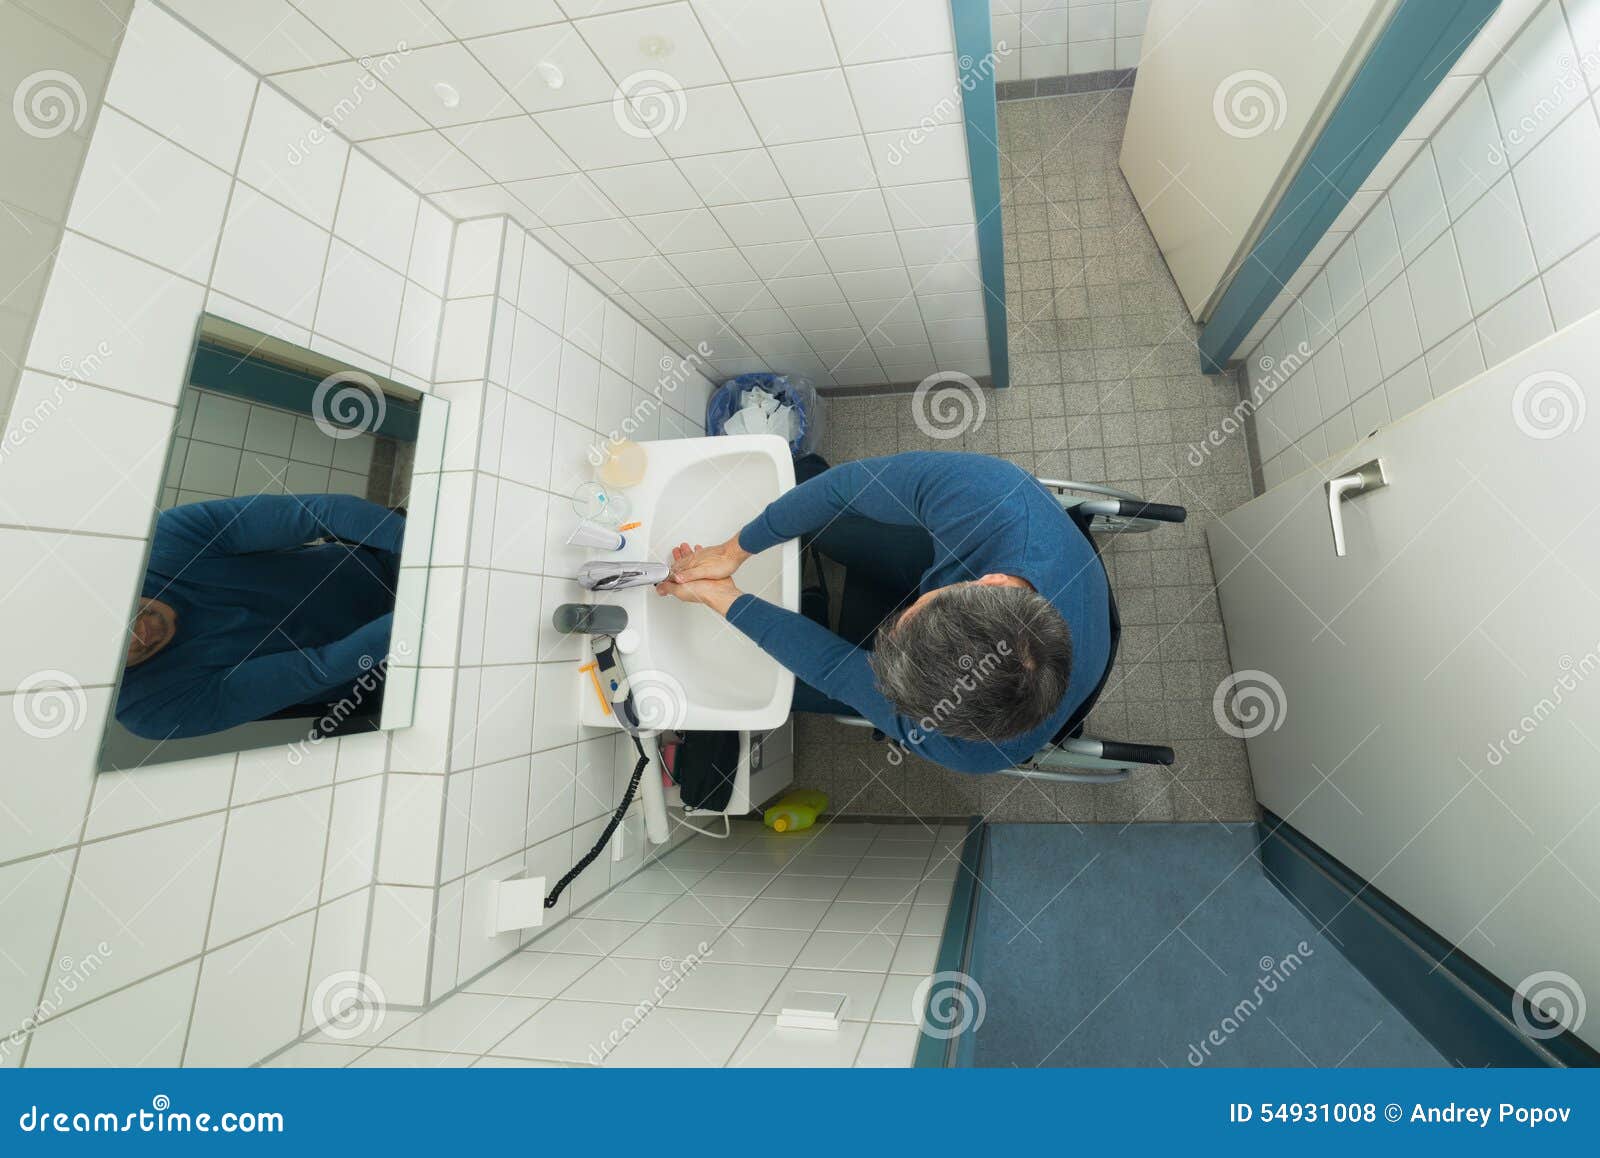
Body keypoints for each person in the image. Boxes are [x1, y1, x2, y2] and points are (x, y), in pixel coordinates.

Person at [656, 451, 1110, 773]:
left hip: (1067, 643)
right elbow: (844, 489)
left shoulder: (972, 744)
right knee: (818, 512)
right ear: (986, 582)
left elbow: (837, 668)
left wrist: (722, 599)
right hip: (1025, 557)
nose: (888, 626)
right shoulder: (989, 496)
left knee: (769, 682)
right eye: (908, 618)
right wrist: (732, 551)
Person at [116, 493, 403, 740]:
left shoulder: (162, 544)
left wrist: (426, 554)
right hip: (386, 669)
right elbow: (316, 668)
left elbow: (317, 513)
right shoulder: (148, 710)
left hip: (386, 572)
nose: (135, 640)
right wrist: (416, 615)